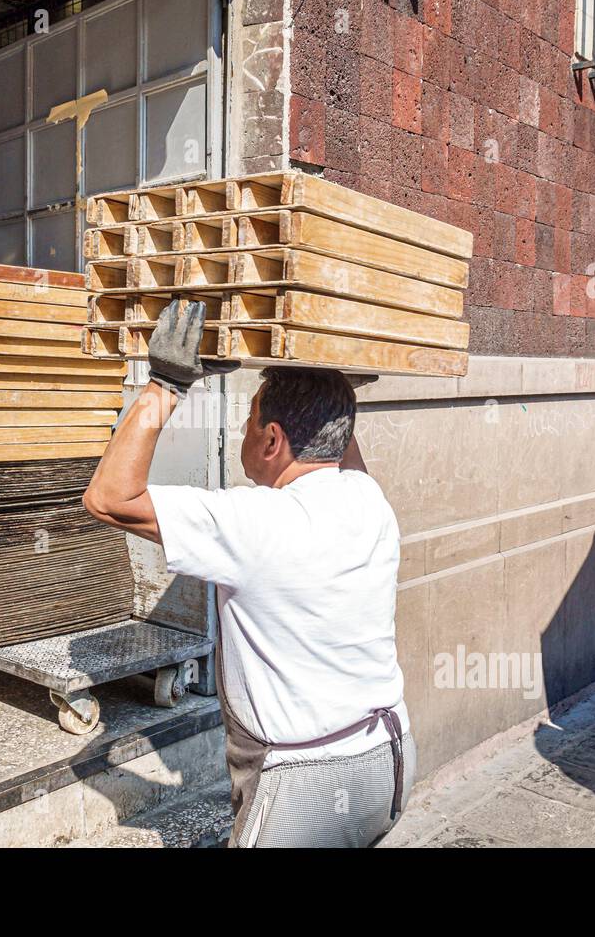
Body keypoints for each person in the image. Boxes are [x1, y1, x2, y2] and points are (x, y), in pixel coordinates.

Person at [83, 299, 412, 847]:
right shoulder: (367, 497)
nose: (241, 430)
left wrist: (165, 384)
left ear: (272, 440)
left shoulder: (253, 520)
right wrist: (328, 373)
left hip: (305, 786)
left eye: (249, 419)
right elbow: (337, 446)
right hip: (389, 754)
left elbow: (108, 499)